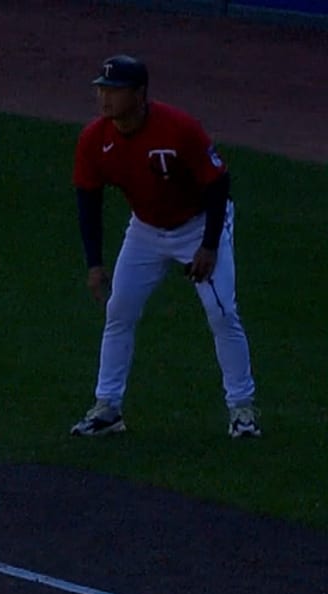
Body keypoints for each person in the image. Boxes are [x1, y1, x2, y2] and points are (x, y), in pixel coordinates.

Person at [70, 54, 260, 439]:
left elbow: (217, 182)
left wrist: (208, 246)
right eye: (102, 90)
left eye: (114, 90)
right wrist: (94, 263)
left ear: (139, 95)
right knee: (119, 309)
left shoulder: (178, 128)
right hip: (146, 229)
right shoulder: (94, 138)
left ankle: (242, 409)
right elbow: (87, 198)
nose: (105, 98)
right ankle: (107, 407)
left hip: (199, 223)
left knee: (221, 312)